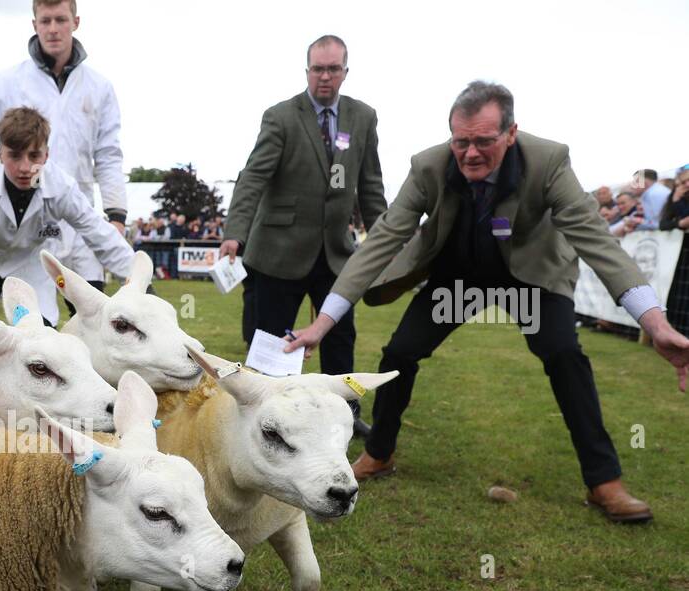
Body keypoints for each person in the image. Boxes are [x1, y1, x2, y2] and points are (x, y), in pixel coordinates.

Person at [285, 81, 689, 523]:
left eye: (484, 141)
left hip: (529, 278)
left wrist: (655, 324)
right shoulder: (429, 166)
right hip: (459, 277)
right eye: (461, 142)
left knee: (563, 354)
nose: (470, 153)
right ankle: (379, 452)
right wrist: (323, 322)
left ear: (511, 133)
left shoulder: (549, 161)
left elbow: (598, 242)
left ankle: (604, 481)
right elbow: (384, 238)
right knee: (400, 352)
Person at [220, 34, 386, 439]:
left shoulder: (363, 118)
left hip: (335, 254)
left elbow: (370, 185)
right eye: (317, 68)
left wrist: (385, 241)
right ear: (306, 70)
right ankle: (260, 417)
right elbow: (253, 176)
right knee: (270, 339)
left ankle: (344, 413)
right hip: (279, 250)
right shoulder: (280, 116)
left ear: (346, 72)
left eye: (333, 69)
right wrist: (234, 233)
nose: (325, 76)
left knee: (341, 336)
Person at [0, 106, 135, 351]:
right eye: (15, 156)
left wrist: (140, 284)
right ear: (0, 154)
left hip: (28, 265)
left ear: (46, 155)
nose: (25, 167)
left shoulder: (62, 188)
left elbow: (99, 233)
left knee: (44, 343)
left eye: (34, 156)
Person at [0, 0, 126, 303]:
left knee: (92, 323)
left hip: (79, 217)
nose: (53, 29)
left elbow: (108, 155)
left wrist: (116, 215)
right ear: (34, 24)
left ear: (76, 22)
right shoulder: (10, 80)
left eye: (61, 20)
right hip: (28, 222)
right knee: (32, 329)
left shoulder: (99, 87)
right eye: (46, 20)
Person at [661, 167, 689, 337]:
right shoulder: (674, 200)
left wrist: (678, 203)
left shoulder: (678, 201)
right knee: (678, 293)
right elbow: (663, 224)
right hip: (680, 255)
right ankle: (676, 332)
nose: (686, 185)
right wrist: (678, 223)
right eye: (682, 182)